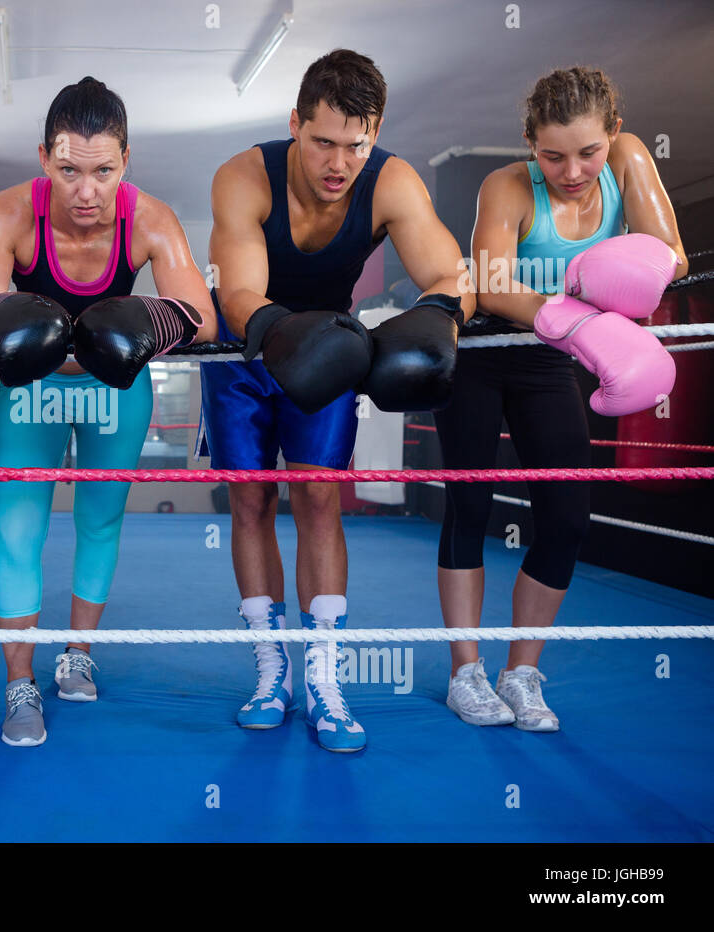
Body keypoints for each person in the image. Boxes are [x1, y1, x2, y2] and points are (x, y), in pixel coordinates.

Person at [202, 49, 473, 752]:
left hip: (330, 347)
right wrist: (275, 333)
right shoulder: (243, 177)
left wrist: (436, 314)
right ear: (295, 123)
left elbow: (449, 271)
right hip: (246, 346)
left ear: (374, 135)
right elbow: (237, 291)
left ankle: (326, 679)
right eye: (323, 141)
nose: (338, 162)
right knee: (251, 500)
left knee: (321, 498)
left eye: (356, 145)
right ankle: (271, 673)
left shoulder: (392, 182)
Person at [0, 77, 216, 747]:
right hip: (33, 393)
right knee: (17, 529)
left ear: (125, 159)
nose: (87, 191)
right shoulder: (9, 212)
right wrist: (11, 323)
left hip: (115, 394)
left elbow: (202, 316)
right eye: (69, 170)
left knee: (100, 525)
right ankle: (19, 683)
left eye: (103, 171)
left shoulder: (150, 218)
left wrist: (139, 323)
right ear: (44, 158)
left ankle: (79, 652)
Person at [437, 67, 686, 732]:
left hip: (549, 358)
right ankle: (467, 673)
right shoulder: (507, 186)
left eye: (587, 153)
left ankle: (521, 673)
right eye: (551, 155)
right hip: (484, 354)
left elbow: (672, 259)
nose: (571, 171)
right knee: (470, 504)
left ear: (615, 137)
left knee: (568, 513)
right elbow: (491, 285)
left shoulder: (628, 161)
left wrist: (594, 302)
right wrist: (578, 317)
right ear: (528, 144)